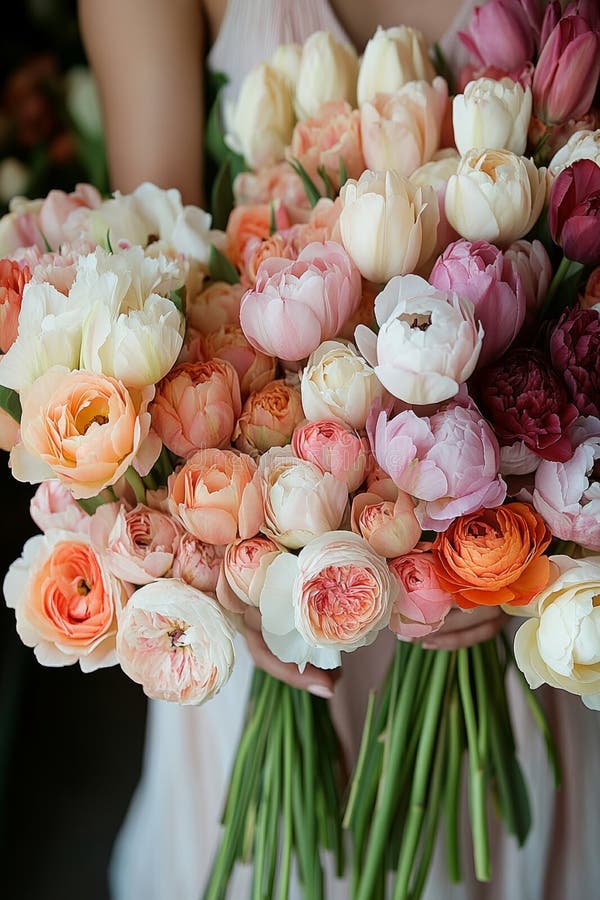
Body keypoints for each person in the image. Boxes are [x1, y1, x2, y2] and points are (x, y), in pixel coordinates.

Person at [78, 2, 600, 898]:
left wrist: (516, 542)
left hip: (526, 607)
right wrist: (230, 568)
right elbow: (146, 278)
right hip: (264, 586)